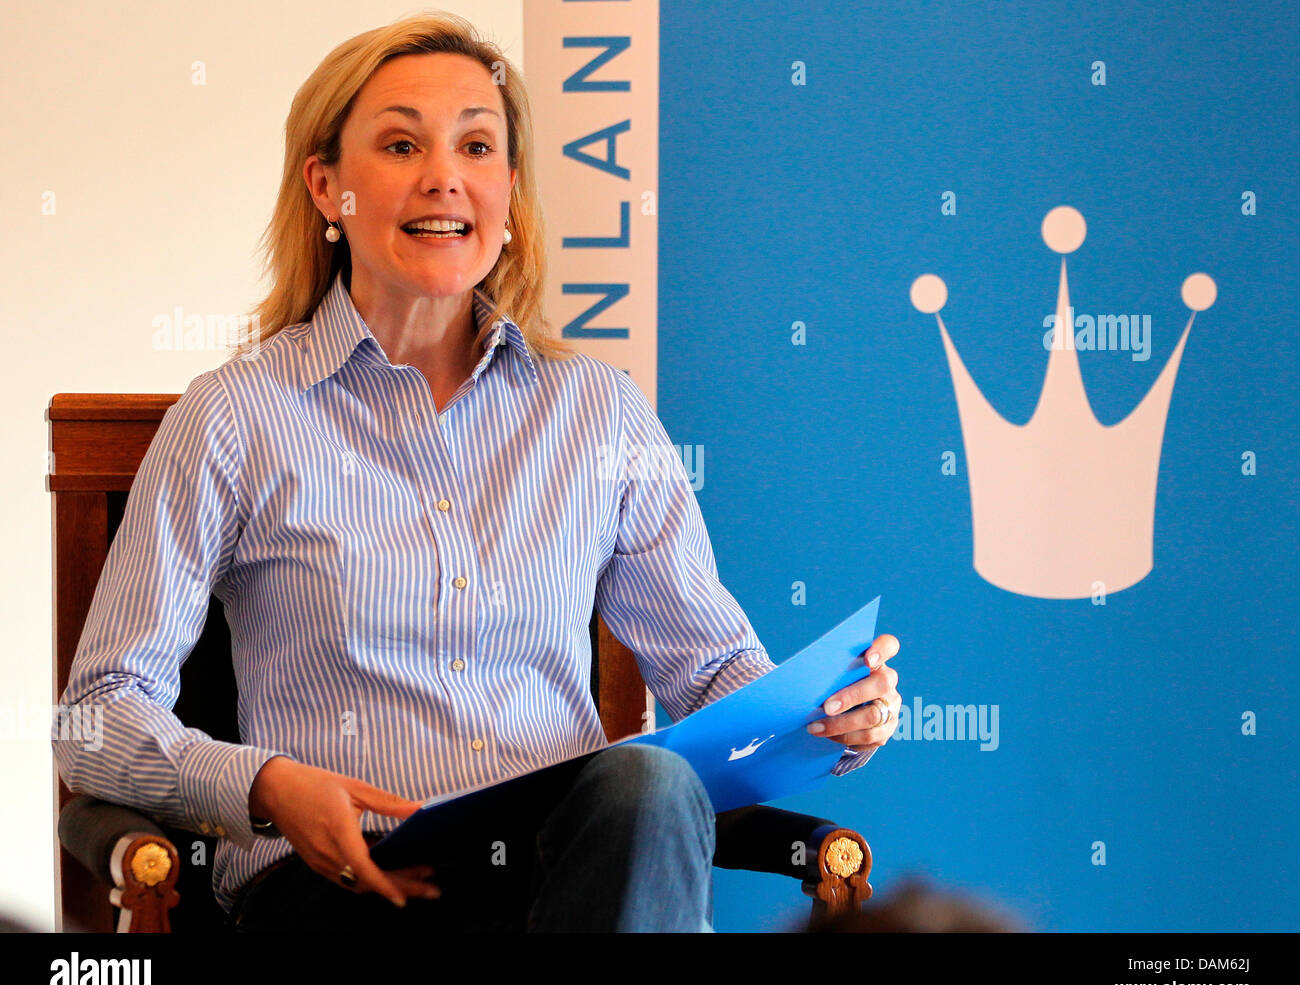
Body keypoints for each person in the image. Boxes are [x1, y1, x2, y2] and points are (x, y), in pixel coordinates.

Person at [51, 11, 902, 933]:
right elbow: (98, 716)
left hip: (566, 877)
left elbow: (713, 677)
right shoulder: (236, 415)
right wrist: (262, 783)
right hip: (347, 889)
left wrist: (826, 719)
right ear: (326, 185)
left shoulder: (598, 411)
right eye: (401, 143)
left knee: (645, 781)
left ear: (508, 192)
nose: (444, 177)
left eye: (477, 146)